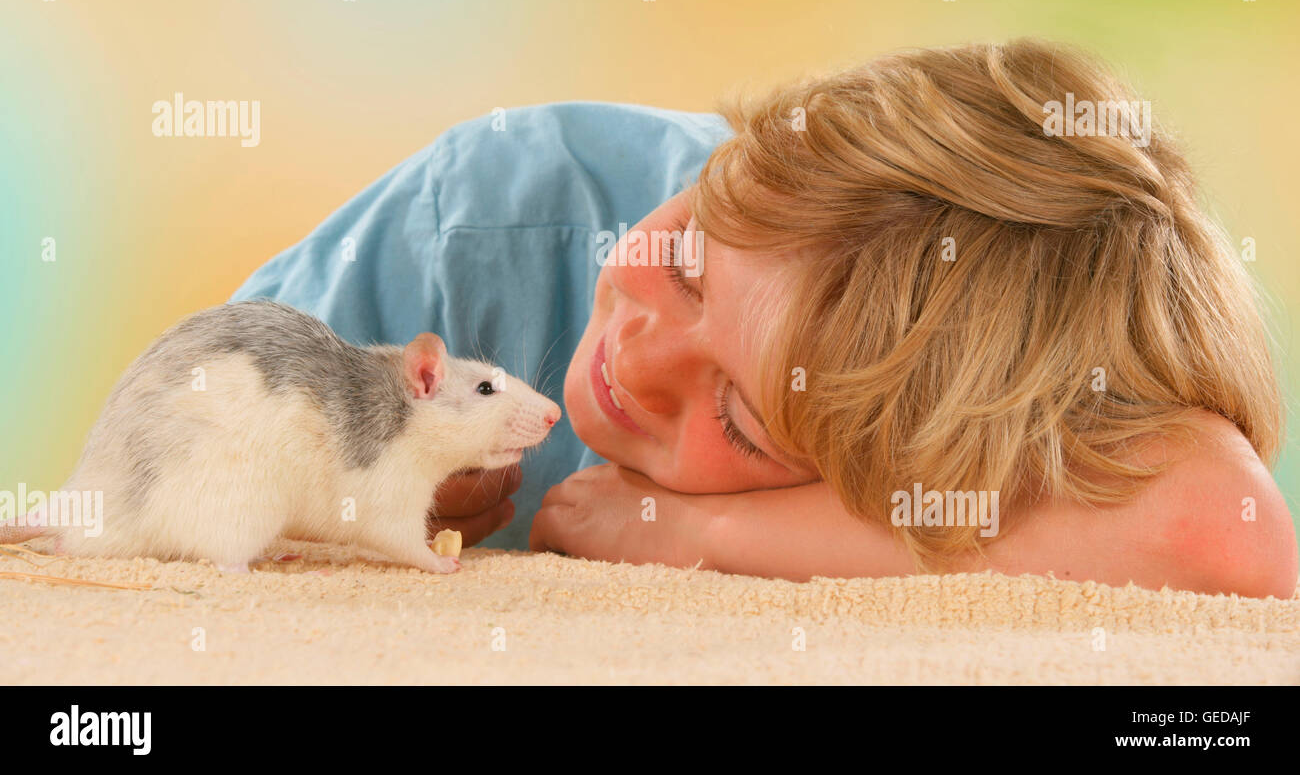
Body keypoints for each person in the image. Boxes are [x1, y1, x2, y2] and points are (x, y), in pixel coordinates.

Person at [232, 40, 1298, 598]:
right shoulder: (491, 220)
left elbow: (1226, 529)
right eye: (688, 263)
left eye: (739, 418)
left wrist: (699, 531)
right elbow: (174, 468)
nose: (637, 362)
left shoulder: (950, 413)